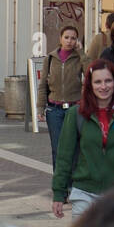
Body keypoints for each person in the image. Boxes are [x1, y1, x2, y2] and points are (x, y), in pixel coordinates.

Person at [52, 60, 114, 220]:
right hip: (84, 193)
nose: (103, 86)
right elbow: (64, 156)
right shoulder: (76, 114)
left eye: (108, 81)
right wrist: (59, 193)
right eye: (98, 82)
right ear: (90, 85)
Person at [37, 25, 85, 167]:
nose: (69, 41)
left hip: (74, 109)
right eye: (66, 37)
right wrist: (40, 108)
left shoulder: (79, 58)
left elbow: (91, 71)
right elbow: (43, 85)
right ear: (60, 39)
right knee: (58, 148)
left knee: (75, 147)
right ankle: (60, 183)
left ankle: (74, 184)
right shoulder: (50, 59)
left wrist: (81, 52)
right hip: (54, 110)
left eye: (73, 38)